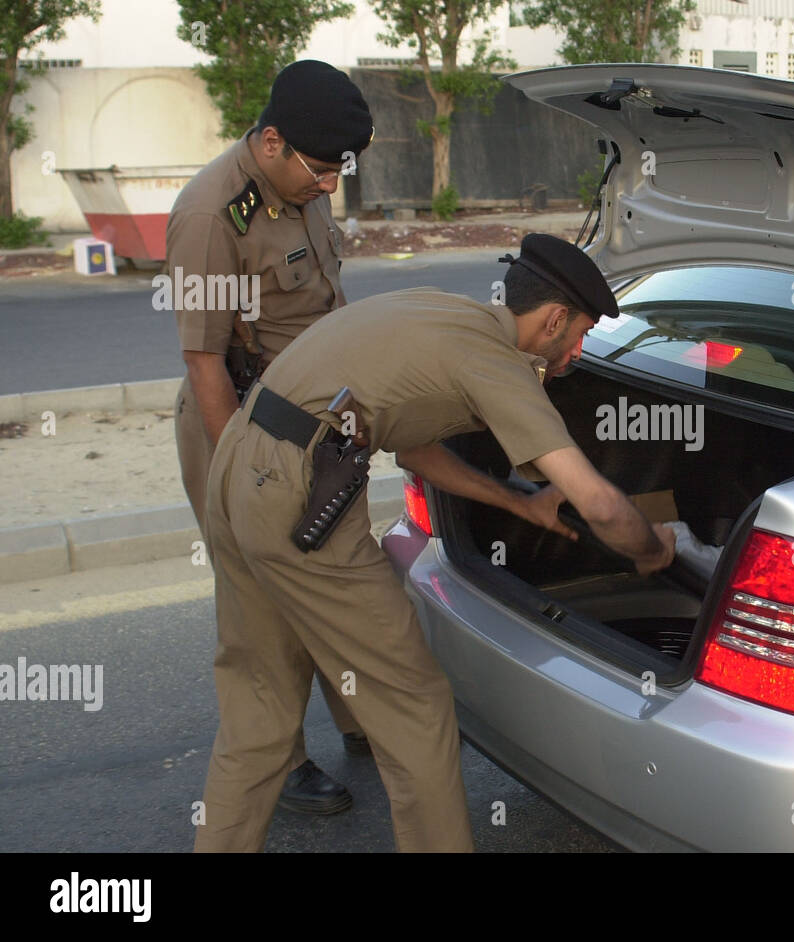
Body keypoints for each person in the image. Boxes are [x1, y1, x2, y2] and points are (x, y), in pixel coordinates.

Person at [193, 233, 678, 852]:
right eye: (579, 334)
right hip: (297, 492)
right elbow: (601, 504)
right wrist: (651, 548)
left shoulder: (442, 311)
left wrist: (516, 501)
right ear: (554, 318)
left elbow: (412, 441)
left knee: (257, 709)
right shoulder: (494, 362)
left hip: (238, 466)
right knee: (415, 709)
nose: (577, 353)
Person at [167, 60, 374, 816]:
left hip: (318, 422)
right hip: (241, 421)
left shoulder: (304, 184)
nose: (330, 187)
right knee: (260, 596)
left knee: (338, 569)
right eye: (320, 171)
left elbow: (326, 303)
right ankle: (278, 759)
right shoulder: (209, 214)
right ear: (272, 143)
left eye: (338, 173)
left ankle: (360, 719)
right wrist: (241, 480)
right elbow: (203, 360)